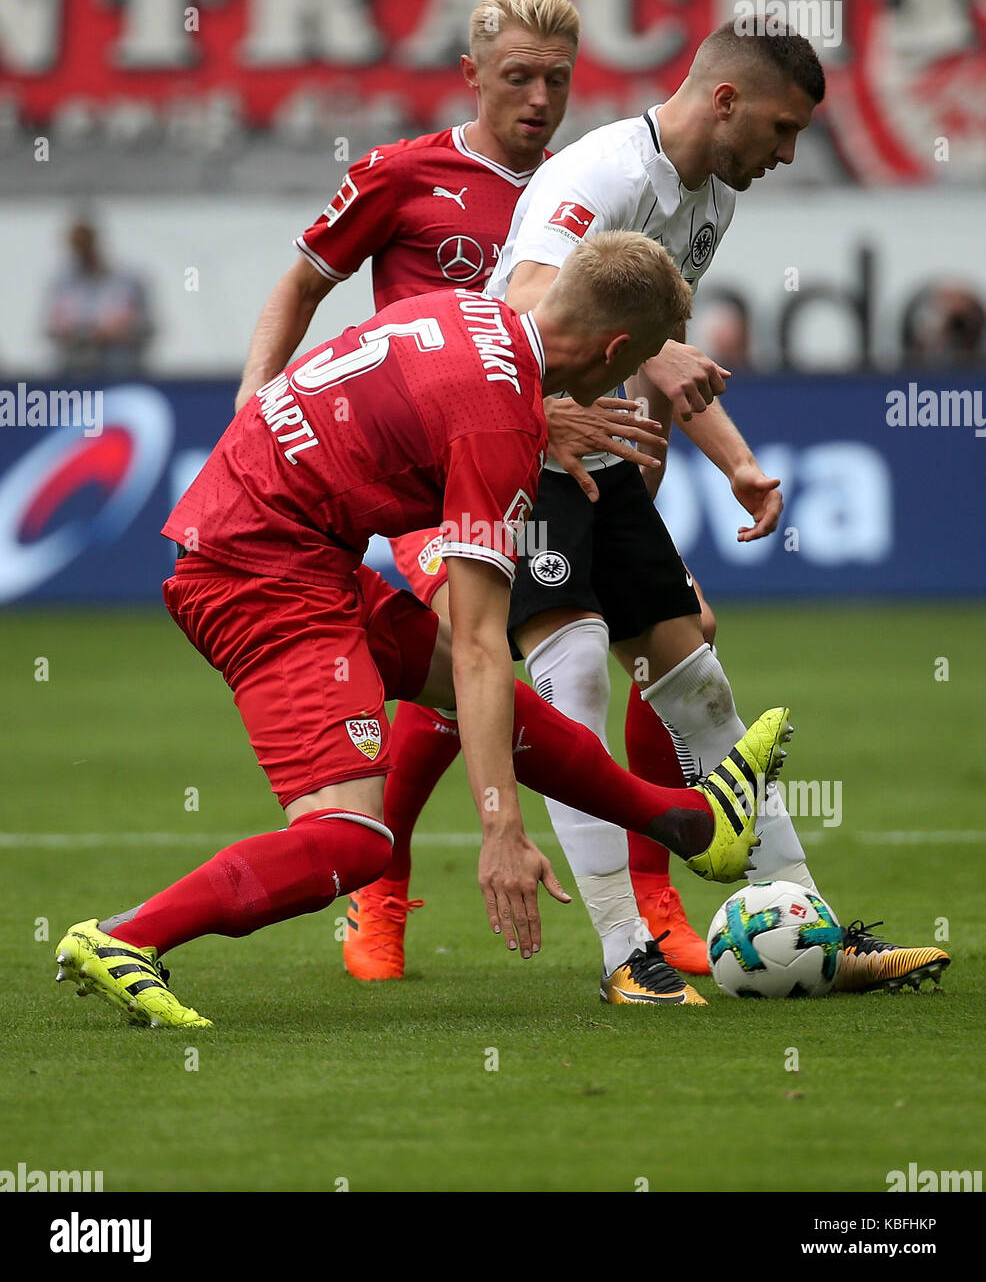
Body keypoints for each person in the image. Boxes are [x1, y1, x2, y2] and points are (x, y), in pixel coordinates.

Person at [53, 233, 795, 1029]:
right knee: (352, 840)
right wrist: (501, 829)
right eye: (637, 362)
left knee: (479, 694)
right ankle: (125, 937)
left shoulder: (475, 316)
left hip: (282, 540)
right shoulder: (498, 426)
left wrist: (536, 423)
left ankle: (688, 822)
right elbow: (481, 642)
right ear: (617, 349)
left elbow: (436, 396)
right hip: (260, 575)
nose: (628, 380)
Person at [235, 0, 712, 999]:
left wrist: (727, 449)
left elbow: (649, 339)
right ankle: (388, 880)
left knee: (681, 636)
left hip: (564, 450)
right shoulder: (403, 175)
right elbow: (302, 285)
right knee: (474, 638)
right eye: (516, 78)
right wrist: (252, 397)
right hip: (444, 466)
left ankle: (654, 888)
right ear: (470, 76)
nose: (538, 98)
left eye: (556, 79)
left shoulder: (585, 190)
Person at [483, 16, 950, 996]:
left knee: (698, 689)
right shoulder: (600, 174)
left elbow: (647, 342)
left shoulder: (706, 200)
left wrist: (734, 463)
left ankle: (818, 940)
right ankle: (625, 955)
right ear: (724, 101)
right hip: (518, 438)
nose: (785, 155)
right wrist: (650, 357)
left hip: (598, 447)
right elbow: (528, 299)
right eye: (780, 131)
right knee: (571, 680)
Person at [42, 220, 153, 378]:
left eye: (84, 245)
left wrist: (112, 333)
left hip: (120, 370)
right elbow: (51, 327)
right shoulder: (63, 283)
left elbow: (145, 327)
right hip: (73, 372)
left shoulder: (127, 281)